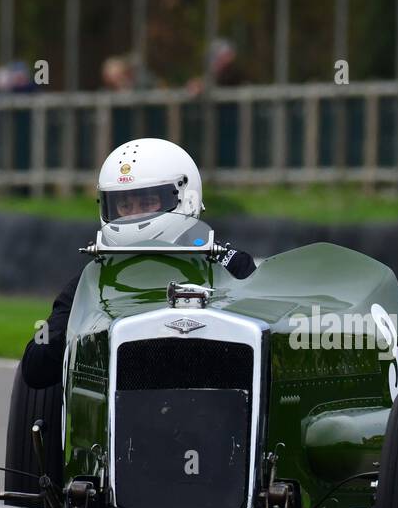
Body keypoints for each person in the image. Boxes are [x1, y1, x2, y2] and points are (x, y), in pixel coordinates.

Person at [20, 138, 256, 389]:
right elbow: (35, 365)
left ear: (186, 198)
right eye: (124, 205)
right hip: (123, 400)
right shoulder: (93, 279)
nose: (134, 214)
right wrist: (73, 332)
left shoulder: (231, 267)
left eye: (147, 202)